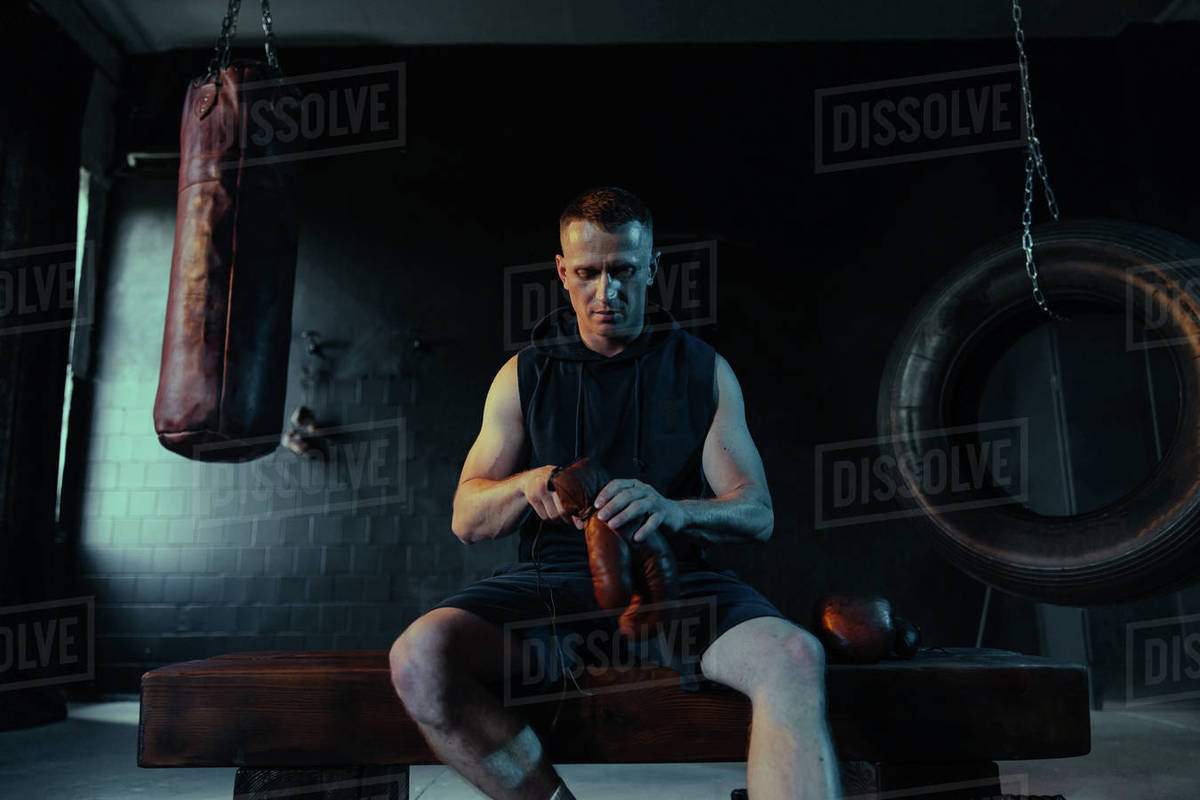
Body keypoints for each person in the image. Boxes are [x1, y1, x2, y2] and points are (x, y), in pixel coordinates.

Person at [389, 187, 842, 800]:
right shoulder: (523, 375)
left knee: (795, 657)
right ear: (562, 272)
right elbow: (467, 519)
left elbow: (756, 512)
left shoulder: (703, 370)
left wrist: (674, 510)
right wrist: (527, 483)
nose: (606, 292)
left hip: (678, 584)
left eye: (624, 271)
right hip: (550, 586)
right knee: (418, 657)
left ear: (651, 268)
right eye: (588, 273)